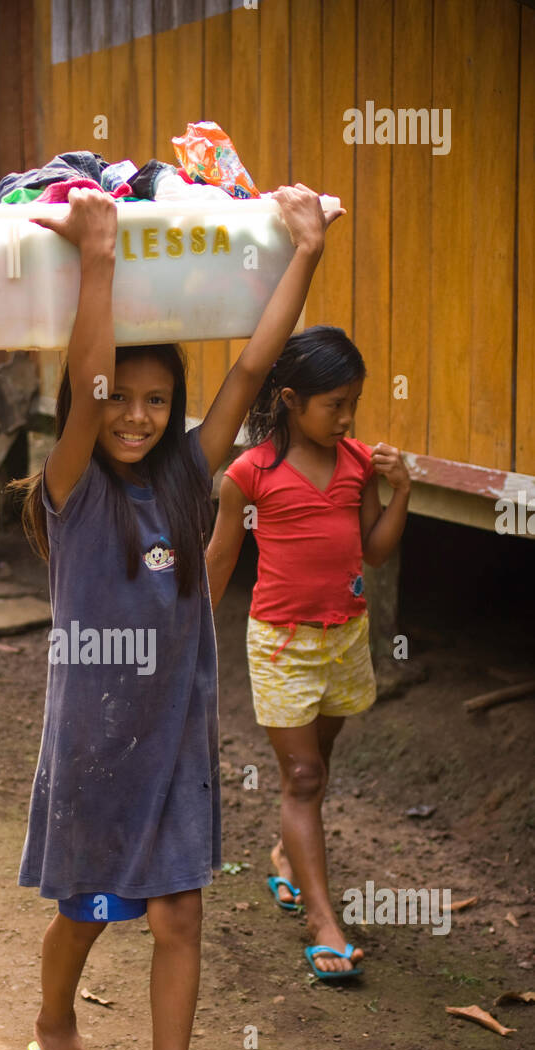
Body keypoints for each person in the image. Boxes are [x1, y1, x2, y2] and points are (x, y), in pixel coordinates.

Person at [14, 183, 340, 1050]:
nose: (138, 416)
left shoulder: (189, 475)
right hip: (89, 749)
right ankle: (54, 1020)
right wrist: (99, 257)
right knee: (87, 905)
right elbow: (90, 384)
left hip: (173, 741)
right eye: (125, 398)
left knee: (179, 914)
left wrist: (306, 252)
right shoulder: (67, 486)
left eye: (160, 400)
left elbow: (250, 366)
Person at [205, 325, 411, 981]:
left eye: (354, 401)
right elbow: (220, 556)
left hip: (345, 635)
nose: (348, 417)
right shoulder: (250, 473)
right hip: (281, 645)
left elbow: (374, 550)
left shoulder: (355, 464)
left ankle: (286, 857)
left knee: (315, 765)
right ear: (291, 400)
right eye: (335, 404)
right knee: (302, 779)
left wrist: (402, 491)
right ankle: (324, 921)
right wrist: (185, 632)